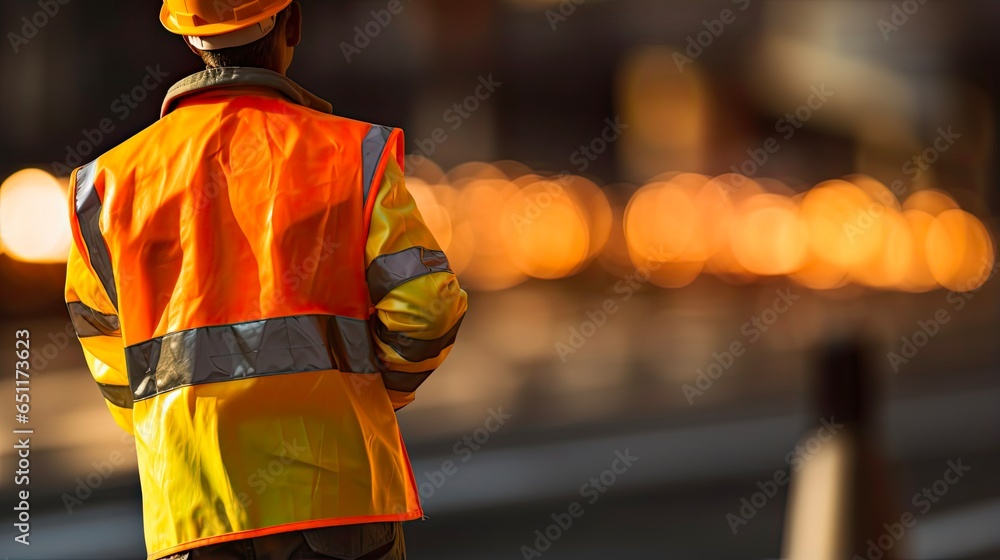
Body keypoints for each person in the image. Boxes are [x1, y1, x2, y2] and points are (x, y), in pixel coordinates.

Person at [63, 1, 468, 558]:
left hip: (196, 508)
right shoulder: (351, 154)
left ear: (188, 38)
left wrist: (183, 431)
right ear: (293, 22)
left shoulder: (108, 186)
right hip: (338, 503)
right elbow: (426, 311)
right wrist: (369, 395)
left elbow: (111, 356)